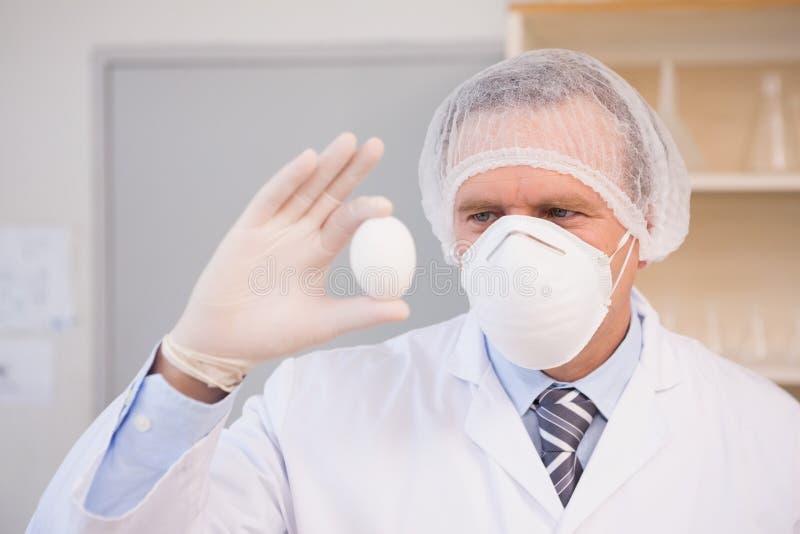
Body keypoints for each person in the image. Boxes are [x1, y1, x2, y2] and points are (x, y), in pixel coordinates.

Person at [29, 49, 799, 533]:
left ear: (648, 223)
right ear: (446, 228)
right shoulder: (317, 407)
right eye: (484, 215)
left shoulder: (767, 435)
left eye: (563, 212)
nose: (519, 245)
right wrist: (195, 367)